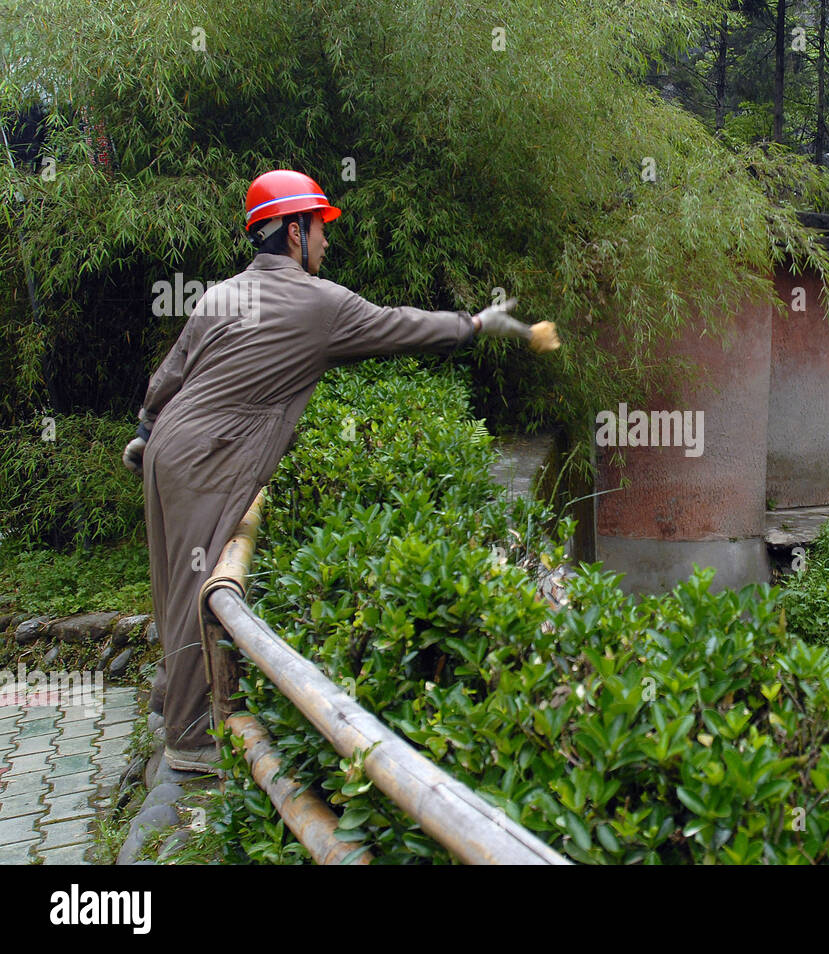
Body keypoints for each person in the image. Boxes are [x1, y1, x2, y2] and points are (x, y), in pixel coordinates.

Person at [122, 169, 548, 772]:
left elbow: (172, 369)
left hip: (169, 445)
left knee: (174, 574)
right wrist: (474, 325)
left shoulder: (224, 292)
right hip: (209, 455)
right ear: (294, 231)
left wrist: (145, 429)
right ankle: (191, 743)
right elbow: (400, 327)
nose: (327, 240)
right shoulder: (319, 304)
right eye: (321, 227)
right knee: (200, 584)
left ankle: (171, 699)